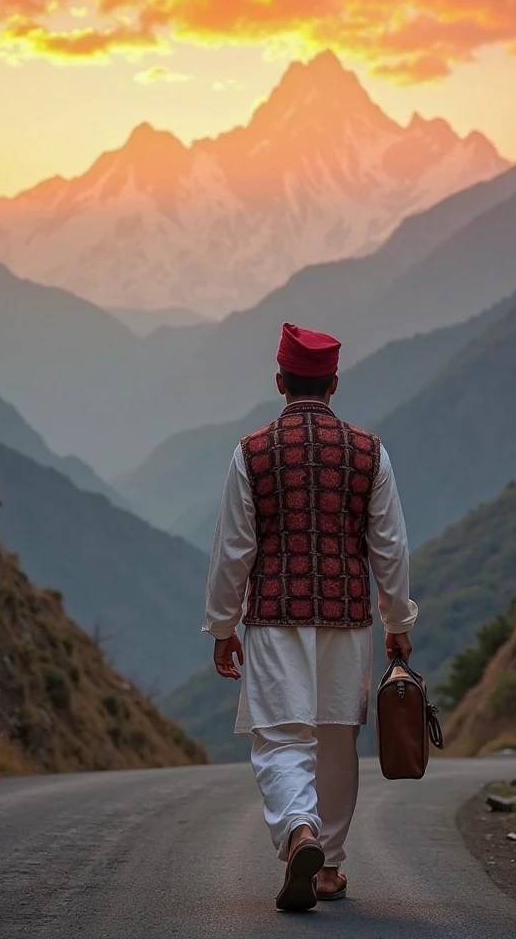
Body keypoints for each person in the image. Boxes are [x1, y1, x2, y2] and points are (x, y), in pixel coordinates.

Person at [203, 322, 418, 912]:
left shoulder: (251, 452)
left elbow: (233, 551)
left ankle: (300, 832)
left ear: (280, 381)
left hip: (274, 616)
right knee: (336, 738)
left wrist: (222, 627)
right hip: (348, 618)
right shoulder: (368, 451)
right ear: (333, 384)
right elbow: (390, 547)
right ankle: (329, 868)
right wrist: (398, 620)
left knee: (281, 736)